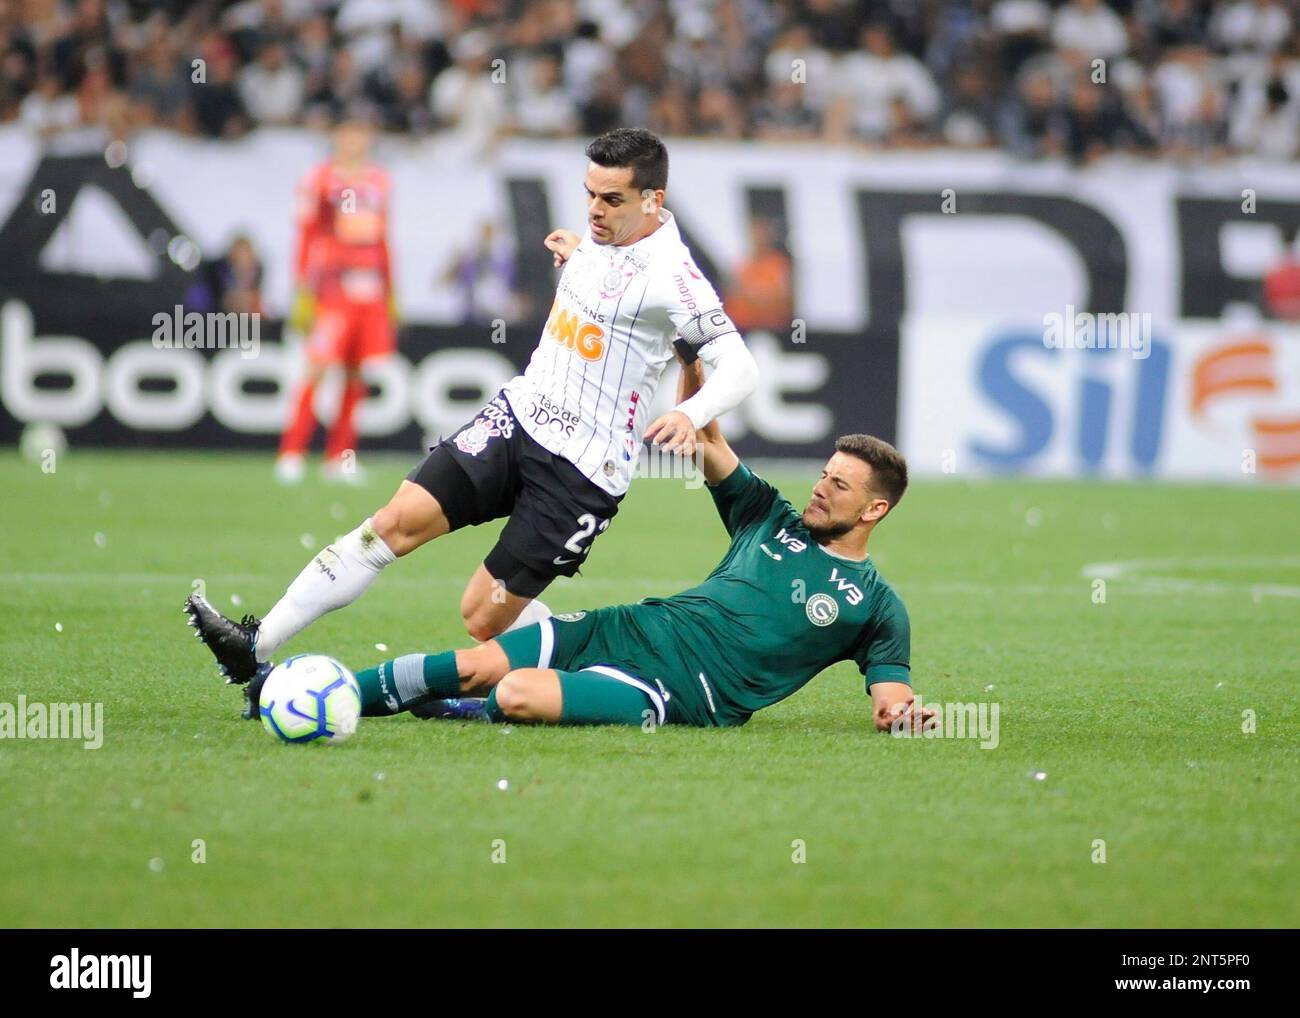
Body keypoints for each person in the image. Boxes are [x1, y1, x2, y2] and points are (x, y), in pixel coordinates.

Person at [186, 127, 760, 717]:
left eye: (611, 200)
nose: (594, 209)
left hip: (582, 473)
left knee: (481, 617)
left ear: (653, 201)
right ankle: (254, 649)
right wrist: (580, 253)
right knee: (392, 524)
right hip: (518, 418)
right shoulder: (599, 237)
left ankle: (584, 671)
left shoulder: (674, 275)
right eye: (589, 193)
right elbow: (610, 278)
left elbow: (740, 368)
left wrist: (690, 414)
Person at [222, 354, 931, 734]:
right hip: (635, 626)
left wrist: (911, 719)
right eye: (823, 475)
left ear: (874, 508)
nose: (819, 489)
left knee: (519, 693)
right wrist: (691, 368)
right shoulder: (767, 517)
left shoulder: (874, 606)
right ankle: (295, 692)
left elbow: (890, 700)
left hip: (679, 691)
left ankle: (471, 712)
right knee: (475, 662)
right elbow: (708, 440)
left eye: (837, 487)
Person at [276, 109, 396, 485]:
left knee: (356, 375)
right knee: (317, 366)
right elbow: (306, 236)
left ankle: (338, 459)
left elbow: (383, 240)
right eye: (349, 131)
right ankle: (292, 453)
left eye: (362, 131)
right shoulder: (320, 179)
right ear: (337, 136)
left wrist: (392, 290)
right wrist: (302, 289)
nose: (356, 140)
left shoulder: (380, 180)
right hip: (332, 287)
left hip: (370, 289)